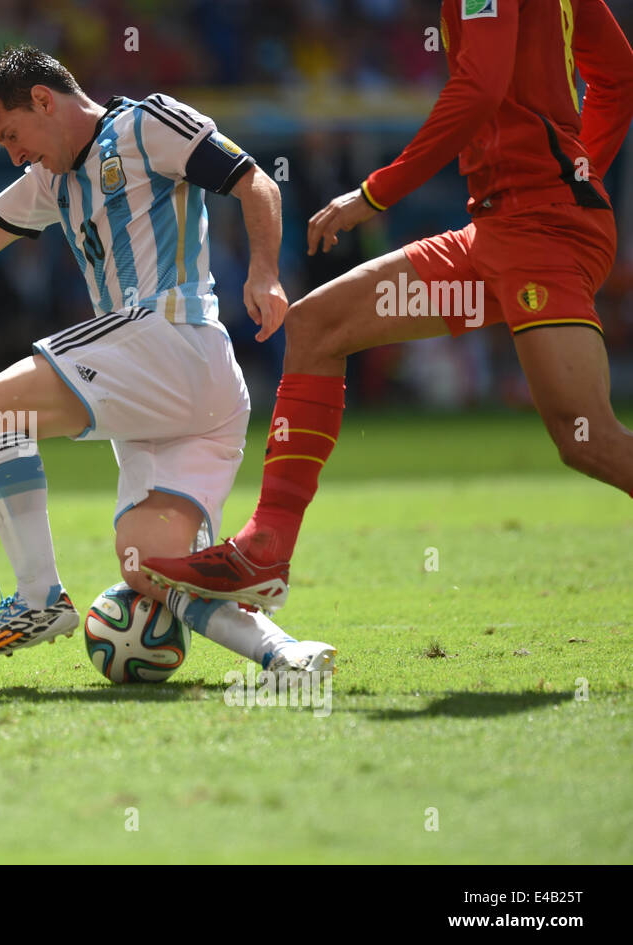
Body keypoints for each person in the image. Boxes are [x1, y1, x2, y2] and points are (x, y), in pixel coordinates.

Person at [145, 0, 633, 612]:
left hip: (542, 233)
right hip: (497, 229)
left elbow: (479, 87)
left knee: (585, 437)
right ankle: (265, 550)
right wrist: (581, 168)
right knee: (317, 325)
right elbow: (618, 74)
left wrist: (376, 193)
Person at [0, 46, 334, 673]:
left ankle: (38, 599)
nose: (12, 154)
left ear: (42, 100)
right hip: (189, 397)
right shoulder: (53, 178)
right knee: (149, 570)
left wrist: (266, 273)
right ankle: (285, 655)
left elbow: (255, 181)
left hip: (171, 339)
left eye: (11, 135)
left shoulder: (145, 125)